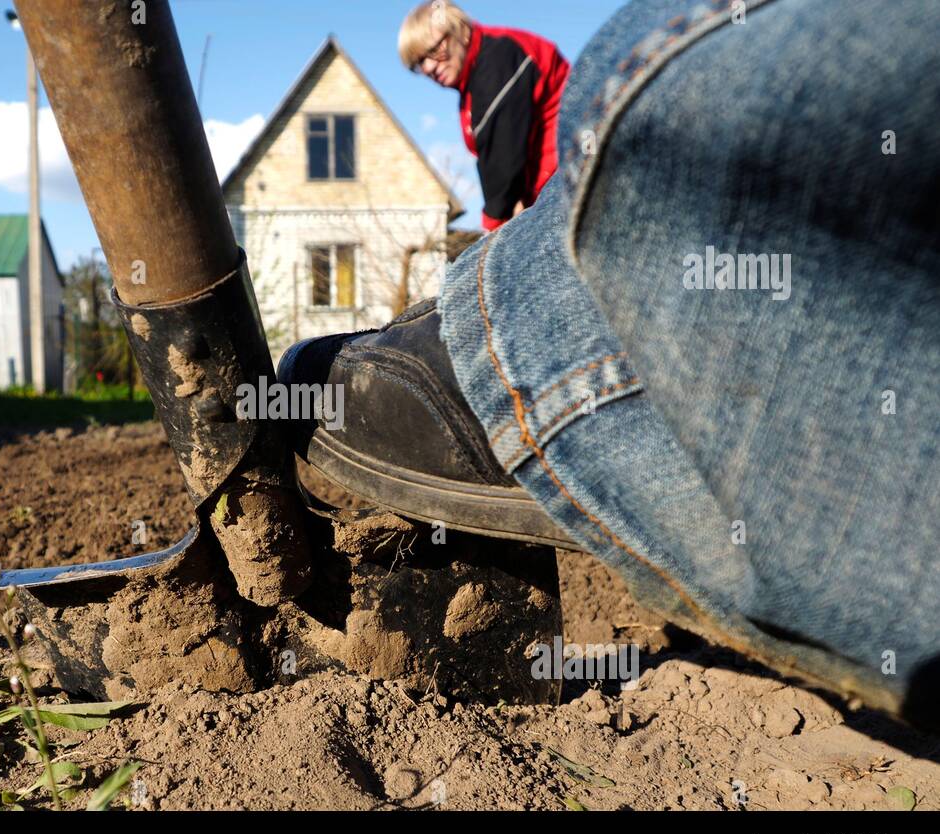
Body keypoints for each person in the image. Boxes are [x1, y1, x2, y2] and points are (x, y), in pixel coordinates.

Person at [287, 0, 940, 730]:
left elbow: (505, 169)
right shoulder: (476, 85)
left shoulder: (499, 63)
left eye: (434, 58)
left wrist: (494, 260)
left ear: (455, 33)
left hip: (581, 217)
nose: (434, 75)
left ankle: (531, 359)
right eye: (423, 71)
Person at [399, 0, 569, 230]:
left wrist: (493, 228)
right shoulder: (469, 92)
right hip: (546, 197)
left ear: (461, 32)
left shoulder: (498, 60)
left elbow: (503, 169)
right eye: (419, 63)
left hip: (569, 182)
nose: (428, 67)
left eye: (434, 50)